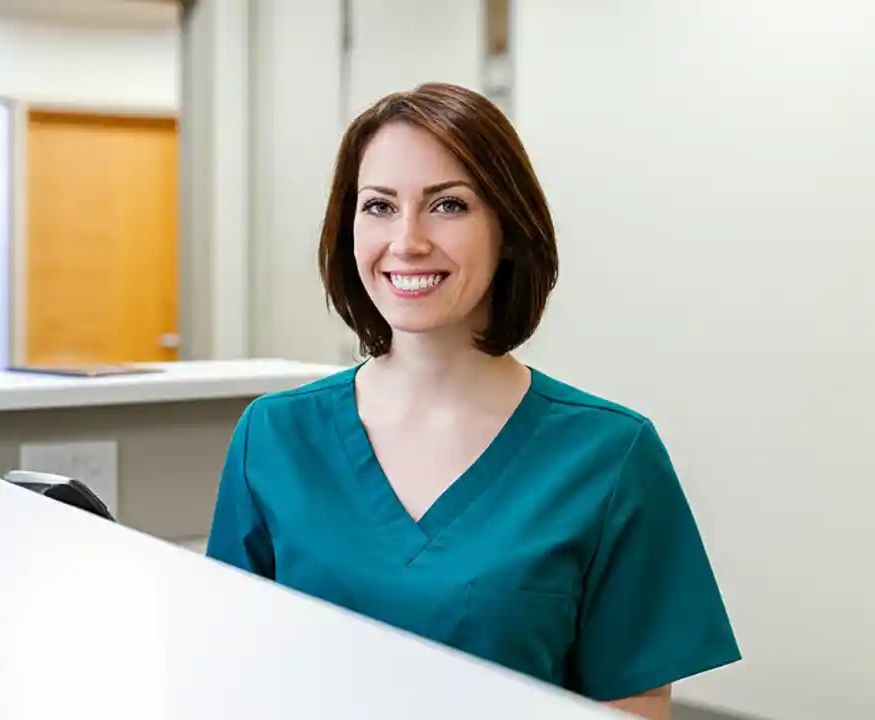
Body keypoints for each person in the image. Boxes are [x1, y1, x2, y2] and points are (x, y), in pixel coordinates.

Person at [206, 83, 739, 720]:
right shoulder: (273, 438)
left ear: (508, 230)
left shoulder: (609, 457)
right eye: (379, 206)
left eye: (448, 205)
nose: (407, 240)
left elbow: (632, 705)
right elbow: (229, 676)